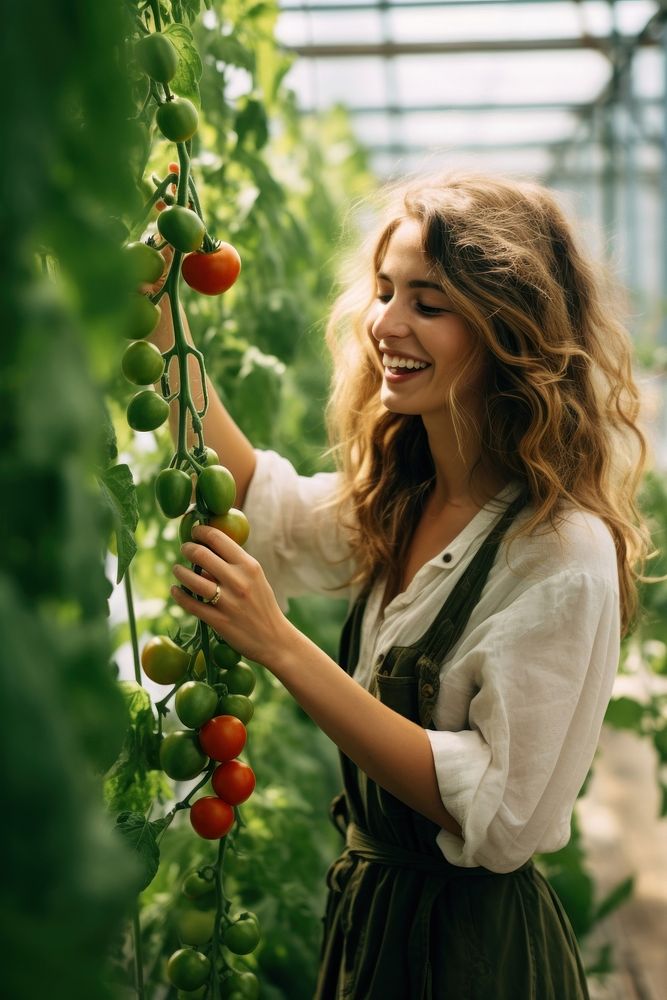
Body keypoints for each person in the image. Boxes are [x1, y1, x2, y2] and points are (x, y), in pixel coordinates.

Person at [150, 171, 651, 999]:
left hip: (472, 958)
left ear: (506, 330)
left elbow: (496, 815)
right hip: (373, 928)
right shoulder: (404, 495)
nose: (385, 323)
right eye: (384, 291)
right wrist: (167, 321)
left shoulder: (561, 554)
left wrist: (279, 645)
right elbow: (256, 502)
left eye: (428, 302)